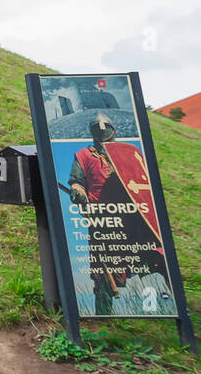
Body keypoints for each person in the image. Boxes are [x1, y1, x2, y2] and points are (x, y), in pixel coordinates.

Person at [68, 113, 169, 315]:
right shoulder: (84, 155)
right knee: (103, 272)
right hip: (104, 220)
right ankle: (104, 317)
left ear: (113, 130)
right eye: (99, 130)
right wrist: (78, 190)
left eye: (106, 129)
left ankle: (175, 304)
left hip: (135, 218)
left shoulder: (129, 152)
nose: (103, 132)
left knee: (157, 257)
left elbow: (143, 180)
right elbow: (76, 180)